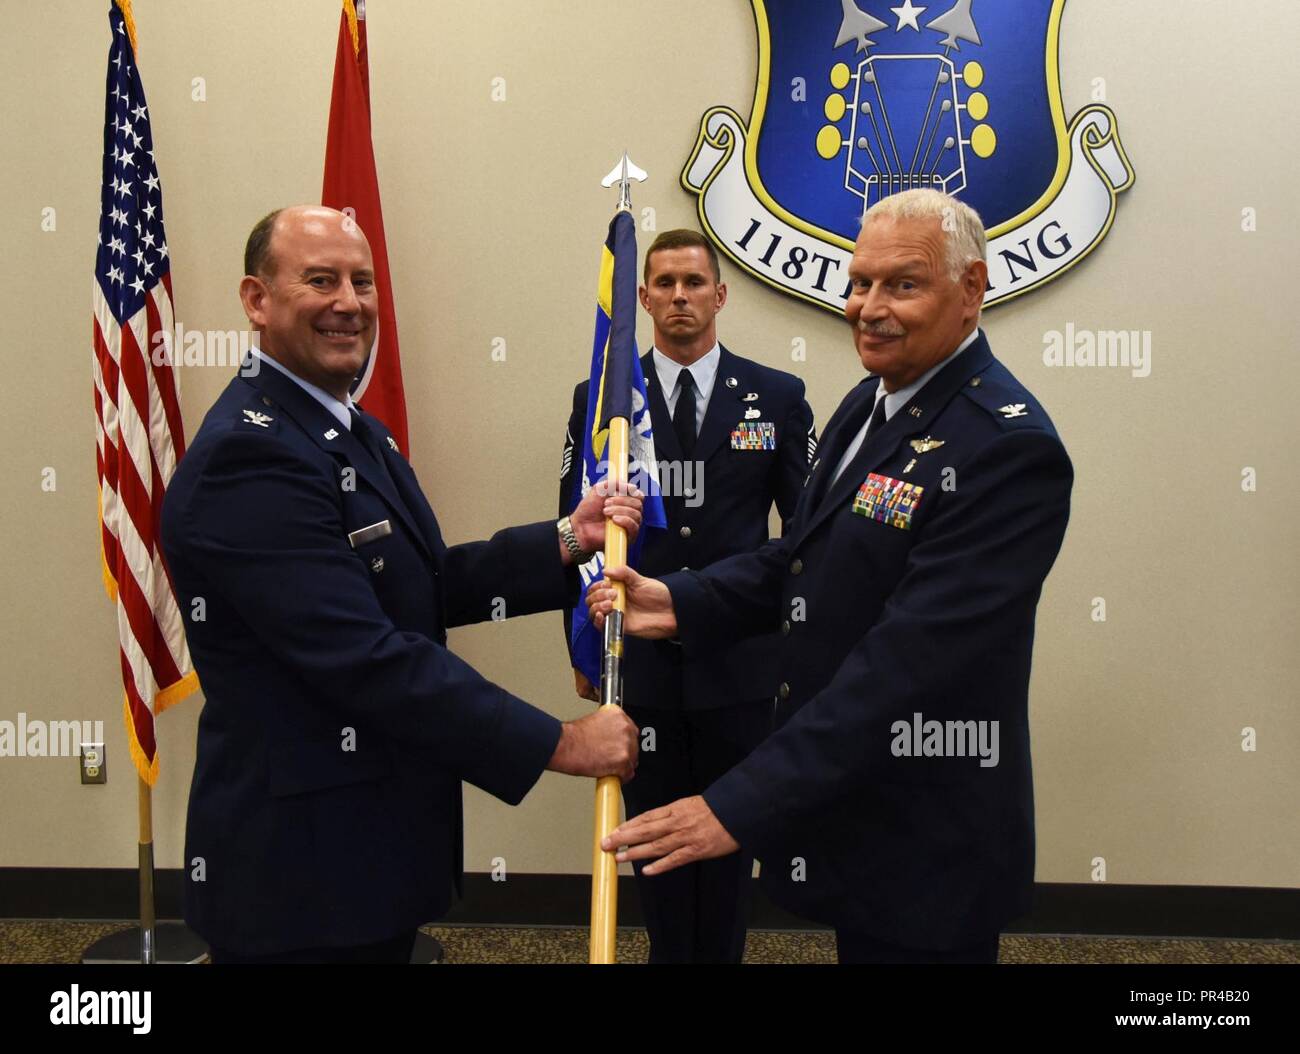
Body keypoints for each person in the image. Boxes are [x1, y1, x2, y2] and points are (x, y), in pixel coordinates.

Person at [588, 190, 1074, 964]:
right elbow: (803, 557)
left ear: (972, 289)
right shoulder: (867, 404)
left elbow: (908, 665)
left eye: (901, 285)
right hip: (856, 813)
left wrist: (739, 800)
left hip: (929, 833)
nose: (867, 308)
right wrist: (679, 600)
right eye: (858, 283)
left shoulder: (1004, 450)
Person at [161, 205, 641, 964]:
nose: (349, 302)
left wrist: (564, 540)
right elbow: (367, 656)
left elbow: (422, 582)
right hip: (300, 879)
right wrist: (560, 743)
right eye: (320, 280)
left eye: (362, 281)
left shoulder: (349, 429)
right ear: (257, 300)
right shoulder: (249, 460)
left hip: (364, 849)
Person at [559, 229, 815, 963]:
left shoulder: (778, 396)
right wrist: (583, 642)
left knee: (729, 848)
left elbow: (805, 536)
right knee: (656, 847)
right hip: (640, 672)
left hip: (739, 666)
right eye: (663, 283)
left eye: (693, 283)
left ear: (720, 295)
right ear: (641, 298)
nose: (678, 296)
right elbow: (574, 530)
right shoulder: (604, 401)